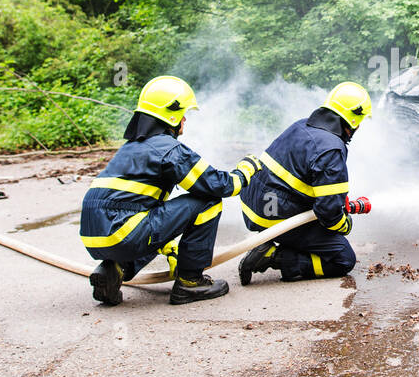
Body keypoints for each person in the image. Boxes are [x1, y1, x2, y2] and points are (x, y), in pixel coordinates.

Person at [81, 75, 260, 306]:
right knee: (208, 202)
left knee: (154, 216)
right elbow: (218, 185)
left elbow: (150, 212)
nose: (185, 119)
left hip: (94, 236)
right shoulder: (167, 149)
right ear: (172, 115)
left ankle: (114, 270)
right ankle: (190, 283)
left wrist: (174, 250)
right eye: (184, 113)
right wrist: (246, 170)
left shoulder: (131, 148)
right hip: (123, 232)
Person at [237, 82, 371, 284]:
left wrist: (334, 202)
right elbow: (328, 213)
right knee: (343, 258)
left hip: (255, 205)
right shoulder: (332, 148)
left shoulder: (300, 125)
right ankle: (273, 257)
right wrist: (344, 224)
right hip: (273, 217)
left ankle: (269, 247)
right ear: (353, 120)